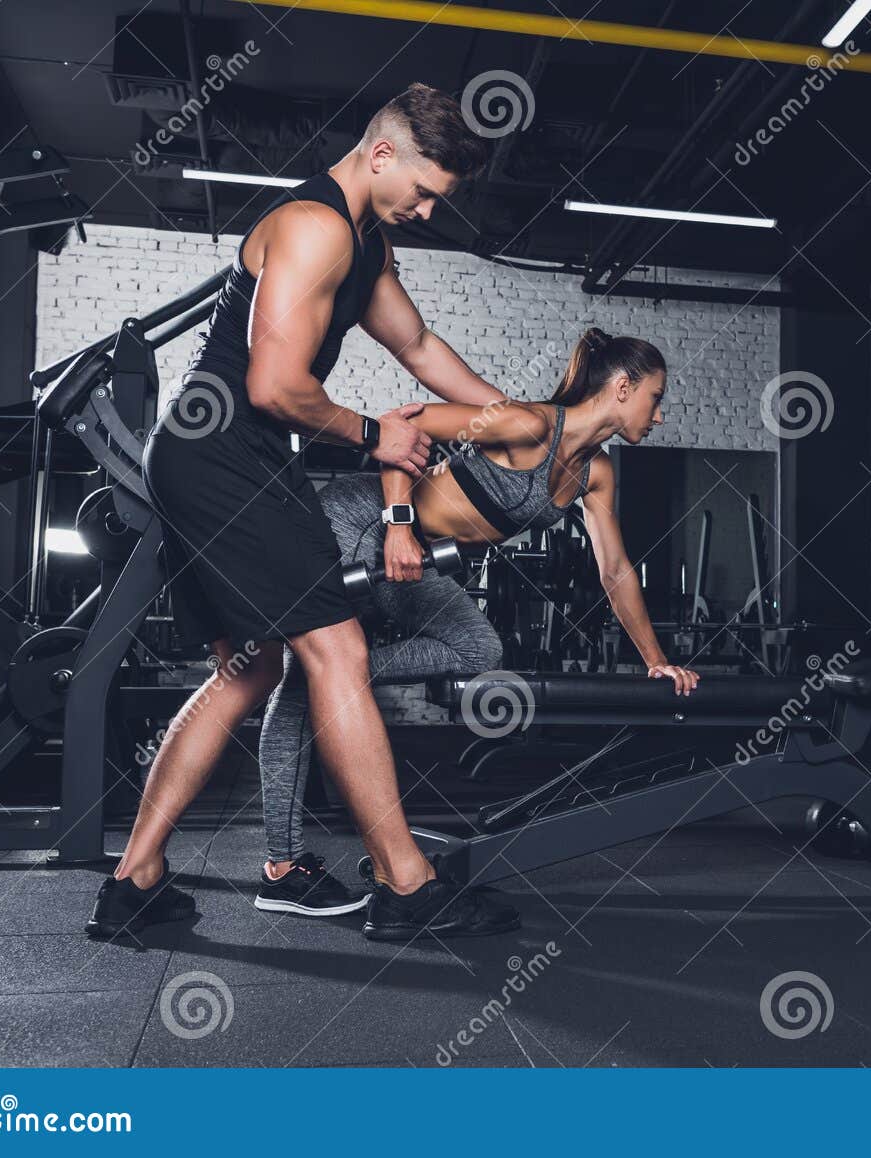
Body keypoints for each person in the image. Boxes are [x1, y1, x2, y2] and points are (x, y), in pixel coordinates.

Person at [85, 82, 522, 942]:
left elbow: (421, 347)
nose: (428, 211)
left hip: (221, 458)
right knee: (339, 649)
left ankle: (133, 883)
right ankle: (406, 885)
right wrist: (377, 438)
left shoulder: (366, 243)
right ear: (383, 152)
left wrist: (522, 419)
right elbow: (274, 386)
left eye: (441, 199)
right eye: (426, 190)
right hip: (221, 458)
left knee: (246, 671)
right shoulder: (316, 226)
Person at [254, 328, 700, 935]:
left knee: (475, 646)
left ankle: (335, 672)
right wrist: (401, 525)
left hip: (411, 564)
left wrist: (655, 660)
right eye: (655, 395)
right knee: (302, 685)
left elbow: (614, 568)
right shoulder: (525, 425)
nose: (660, 411)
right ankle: (281, 866)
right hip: (357, 527)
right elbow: (403, 423)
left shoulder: (595, 473)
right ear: (622, 387)